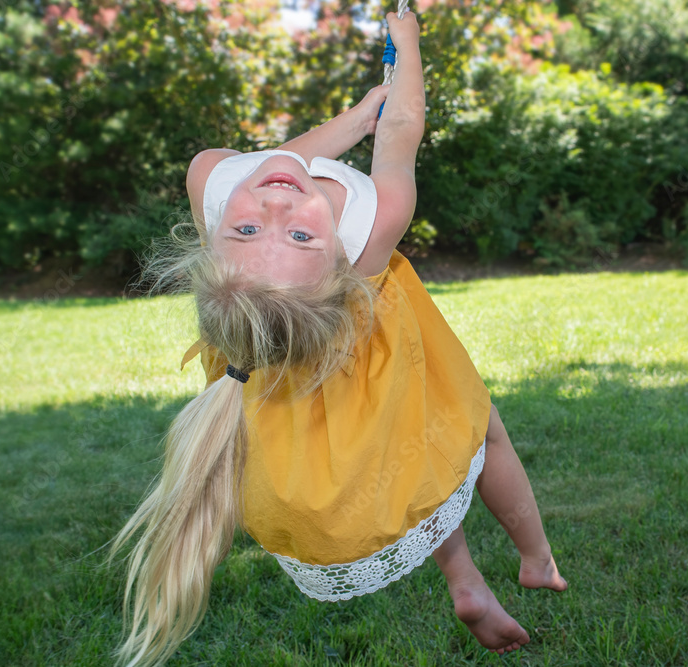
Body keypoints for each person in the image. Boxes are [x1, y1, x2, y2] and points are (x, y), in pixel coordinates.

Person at [110, 12, 565, 667]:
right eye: (299, 238)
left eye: (247, 233)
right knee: (478, 429)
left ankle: (465, 579)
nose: (276, 208)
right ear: (343, 278)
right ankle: (536, 557)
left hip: (306, 381)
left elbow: (273, 170)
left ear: (212, 246)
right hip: (378, 355)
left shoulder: (215, 180)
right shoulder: (372, 223)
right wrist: (406, 41)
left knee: (406, 461)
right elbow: (403, 129)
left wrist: (356, 118)